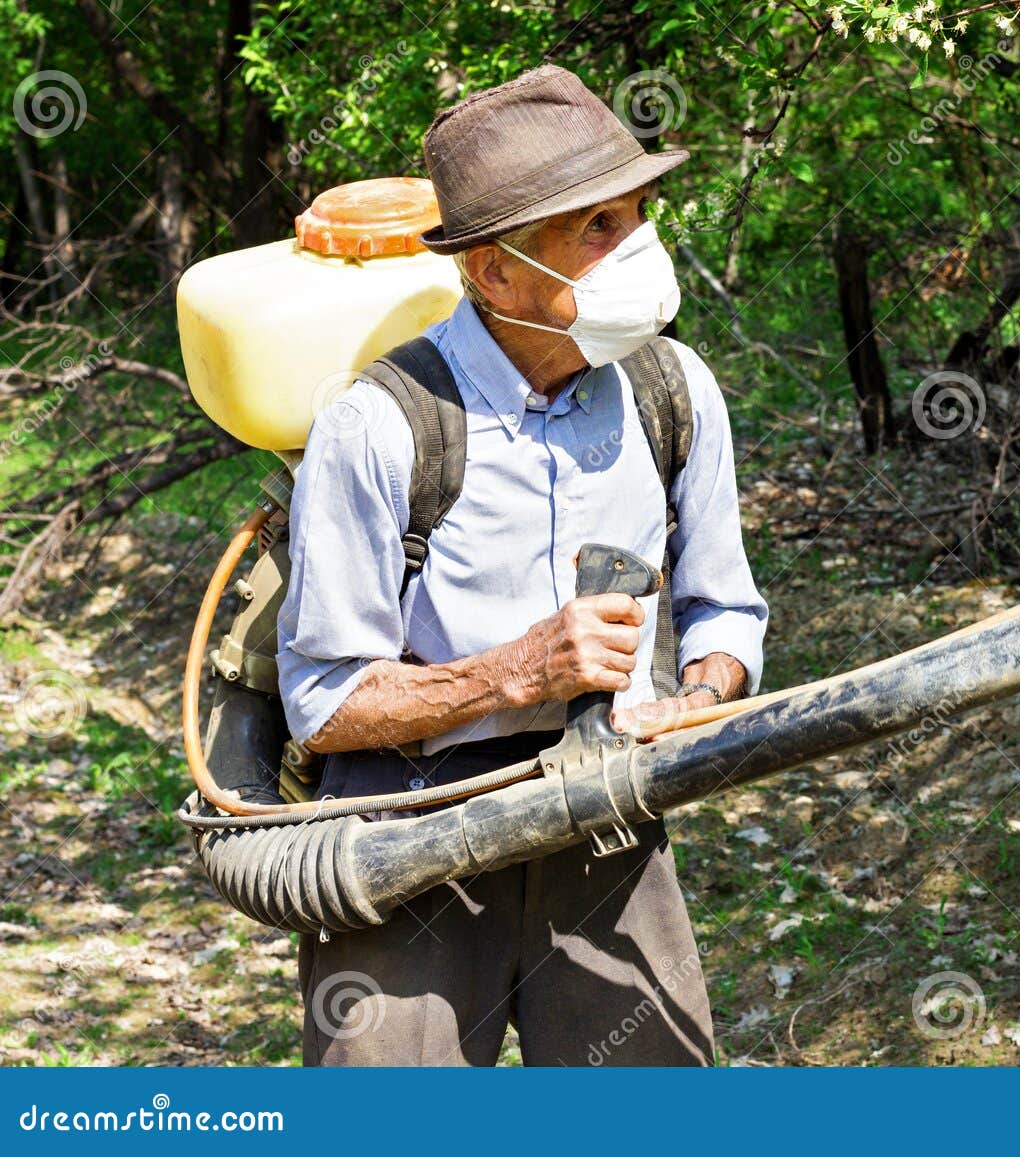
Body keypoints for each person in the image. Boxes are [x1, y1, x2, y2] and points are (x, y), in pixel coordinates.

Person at [275, 65, 767, 1066]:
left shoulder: (673, 392)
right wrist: (517, 672)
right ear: (492, 273)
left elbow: (724, 609)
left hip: (605, 810)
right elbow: (322, 703)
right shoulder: (379, 425)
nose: (639, 250)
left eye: (639, 214)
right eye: (596, 229)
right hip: (410, 833)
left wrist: (701, 691)